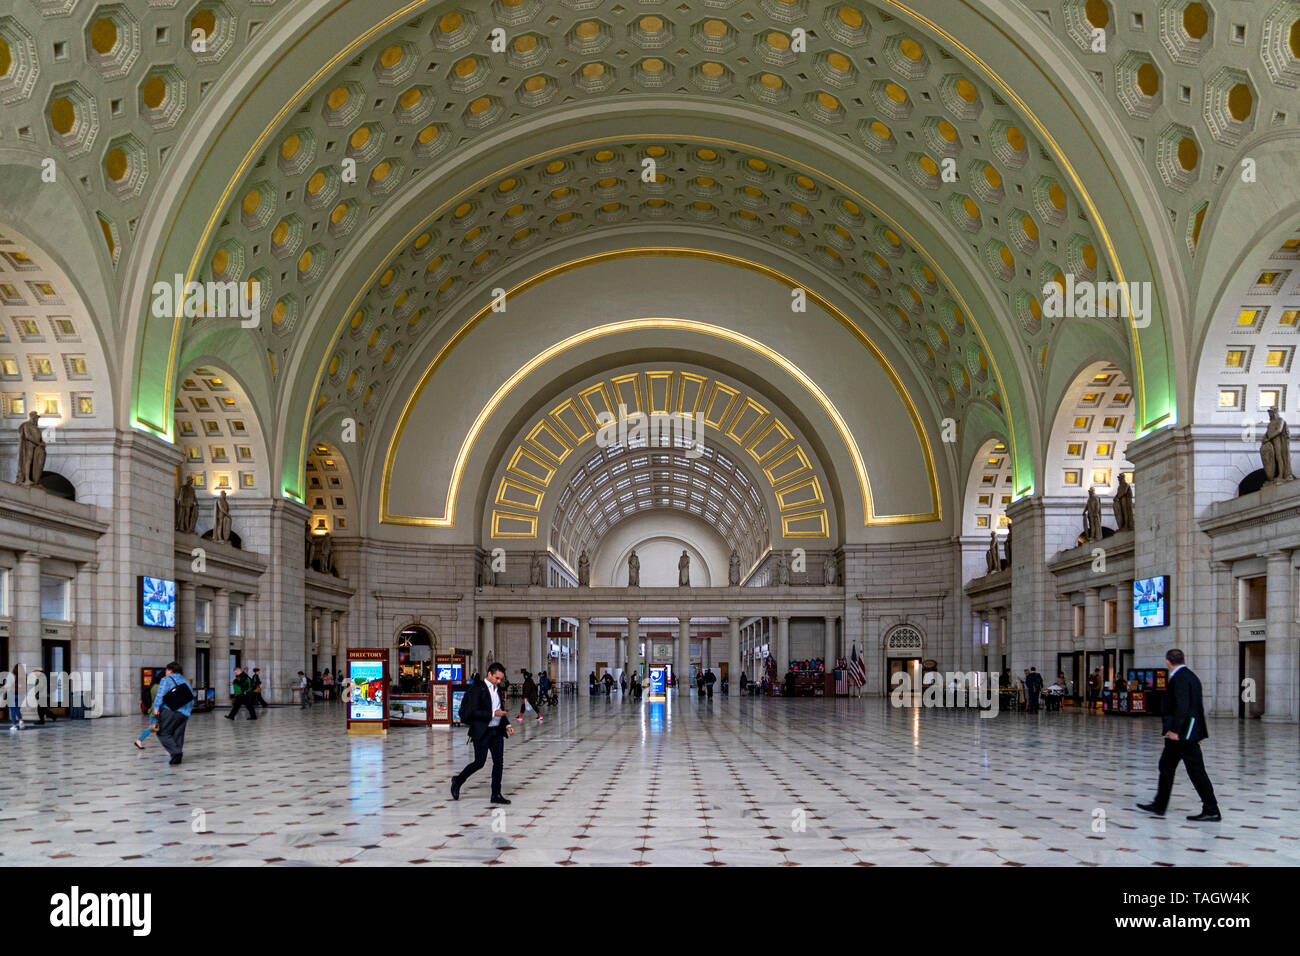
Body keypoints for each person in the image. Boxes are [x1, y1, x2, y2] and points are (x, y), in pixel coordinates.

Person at [1137, 650, 1220, 821]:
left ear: (1167, 662)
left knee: (1196, 772)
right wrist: (1200, 732)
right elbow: (1197, 706)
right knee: (1166, 766)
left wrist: (1175, 730)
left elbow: (1182, 706)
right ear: (1184, 659)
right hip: (1188, 733)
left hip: (1182, 735)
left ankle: (1212, 809)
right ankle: (1159, 805)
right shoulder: (1191, 676)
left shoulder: (1180, 678)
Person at [450, 663, 515, 805]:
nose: (499, 681)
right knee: (479, 762)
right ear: (489, 674)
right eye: (497, 678)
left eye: (500, 679)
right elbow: (473, 712)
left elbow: (500, 709)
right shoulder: (477, 689)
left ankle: (496, 794)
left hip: (496, 731)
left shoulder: (497, 690)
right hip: (482, 731)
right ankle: (458, 780)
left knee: (499, 762)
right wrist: (492, 714)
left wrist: (507, 724)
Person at [152, 662, 195, 766]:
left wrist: (156, 708)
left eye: (166, 670)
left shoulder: (166, 680)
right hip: (184, 713)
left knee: (162, 732)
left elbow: (160, 695)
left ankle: (176, 753)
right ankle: (176, 757)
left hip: (170, 710)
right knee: (178, 734)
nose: (165, 673)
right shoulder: (186, 681)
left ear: (170, 670)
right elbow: (191, 698)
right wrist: (188, 713)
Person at [135, 679, 163, 749]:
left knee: (158, 728)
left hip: (155, 710)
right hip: (155, 711)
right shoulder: (156, 687)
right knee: (153, 728)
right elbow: (160, 698)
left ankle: (166, 744)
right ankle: (139, 740)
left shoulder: (155, 686)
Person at [7, 665, 24, 732]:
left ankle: (14, 725)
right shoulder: (24, 676)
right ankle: (20, 720)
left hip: (12, 694)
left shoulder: (12, 676)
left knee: (13, 710)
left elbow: (8, 685)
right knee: (17, 709)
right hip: (21, 695)